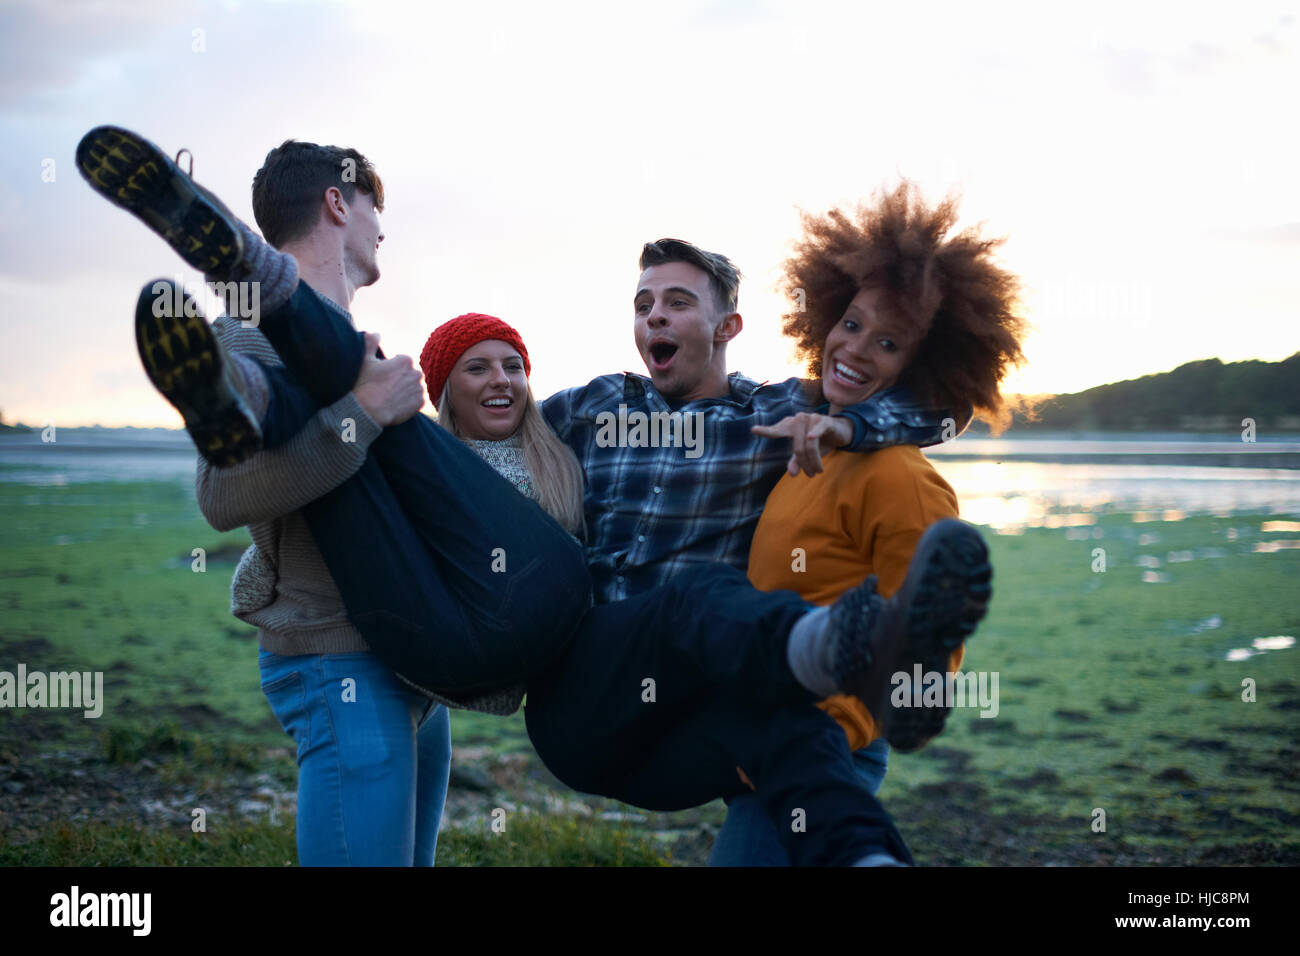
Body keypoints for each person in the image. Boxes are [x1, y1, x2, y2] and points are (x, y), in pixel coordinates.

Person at [78, 124, 990, 865]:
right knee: (379, 437)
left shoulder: (778, 413)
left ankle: (866, 810)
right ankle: (237, 385)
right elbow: (463, 428)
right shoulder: (590, 407)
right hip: (574, 681)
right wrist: (404, 397)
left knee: (756, 678)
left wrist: (846, 426)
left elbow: (931, 407)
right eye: (644, 304)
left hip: (686, 689)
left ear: (730, 325)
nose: (655, 319)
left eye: (677, 302)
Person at [709, 182, 1026, 865]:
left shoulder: (902, 480)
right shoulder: (806, 446)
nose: (854, 348)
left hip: (824, 751)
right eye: (850, 323)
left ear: (921, 367)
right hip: (766, 734)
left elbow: (923, 639)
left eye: (889, 342)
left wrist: (826, 729)